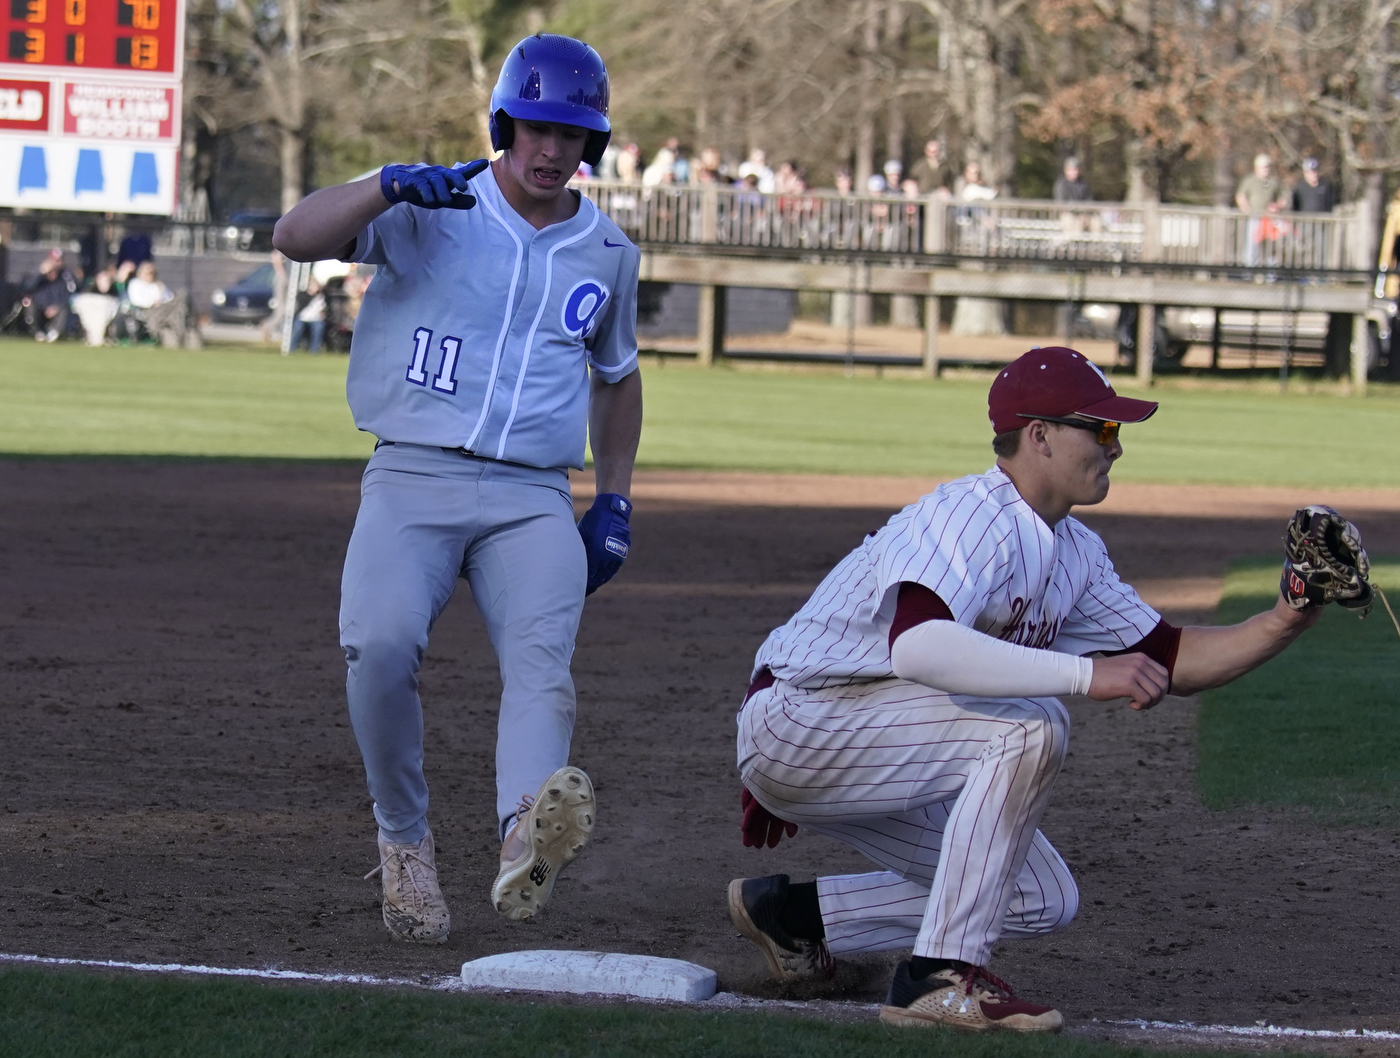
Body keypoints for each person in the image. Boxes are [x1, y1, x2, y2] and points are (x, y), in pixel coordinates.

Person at [727, 346, 1329, 1033]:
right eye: (1100, 430)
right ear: (1039, 435)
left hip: (864, 730)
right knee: (1030, 724)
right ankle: (938, 979)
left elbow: (1172, 659)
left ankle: (795, 918)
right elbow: (920, 645)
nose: (1117, 446)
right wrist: (1084, 674)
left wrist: (1290, 614)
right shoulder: (970, 517)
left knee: (1039, 896)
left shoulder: (1073, 550)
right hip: (805, 722)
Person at [271, 32, 642, 945]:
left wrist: (618, 500)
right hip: (413, 474)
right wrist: (386, 184)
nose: (552, 149)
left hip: (532, 498)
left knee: (542, 673)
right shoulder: (433, 203)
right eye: (536, 127)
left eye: (573, 133)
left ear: (591, 144)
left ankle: (526, 830)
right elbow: (292, 238)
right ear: (504, 125)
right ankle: (405, 843)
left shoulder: (607, 251)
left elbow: (619, 376)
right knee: (380, 647)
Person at [1235, 153, 1287, 267]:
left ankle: (1271, 272)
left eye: (1268, 166)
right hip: (1256, 218)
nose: (1266, 169)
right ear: (1256, 167)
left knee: (1271, 246)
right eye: (1263, 167)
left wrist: (1276, 206)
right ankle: (1249, 270)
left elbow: (1283, 199)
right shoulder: (1250, 180)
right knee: (1252, 244)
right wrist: (1248, 211)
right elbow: (1241, 197)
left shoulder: (1274, 181)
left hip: (1270, 219)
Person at [20, 249, 77, 341]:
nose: (55, 263)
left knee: (64, 308)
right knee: (29, 304)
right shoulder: (38, 274)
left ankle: (54, 333)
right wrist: (40, 273)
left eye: (58, 260)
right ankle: (37, 332)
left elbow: (72, 292)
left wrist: (56, 307)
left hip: (57, 308)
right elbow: (26, 287)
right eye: (53, 260)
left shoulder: (66, 275)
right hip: (40, 307)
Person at [291, 277, 327, 353]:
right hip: (302, 318)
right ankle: (292, 348)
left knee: (319, 328)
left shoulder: (321, 297)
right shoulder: (303, 294)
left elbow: (324, 308)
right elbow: (301, 305)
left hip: (315, 319)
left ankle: (314, 350)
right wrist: (311, 295)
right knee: (298, 329)